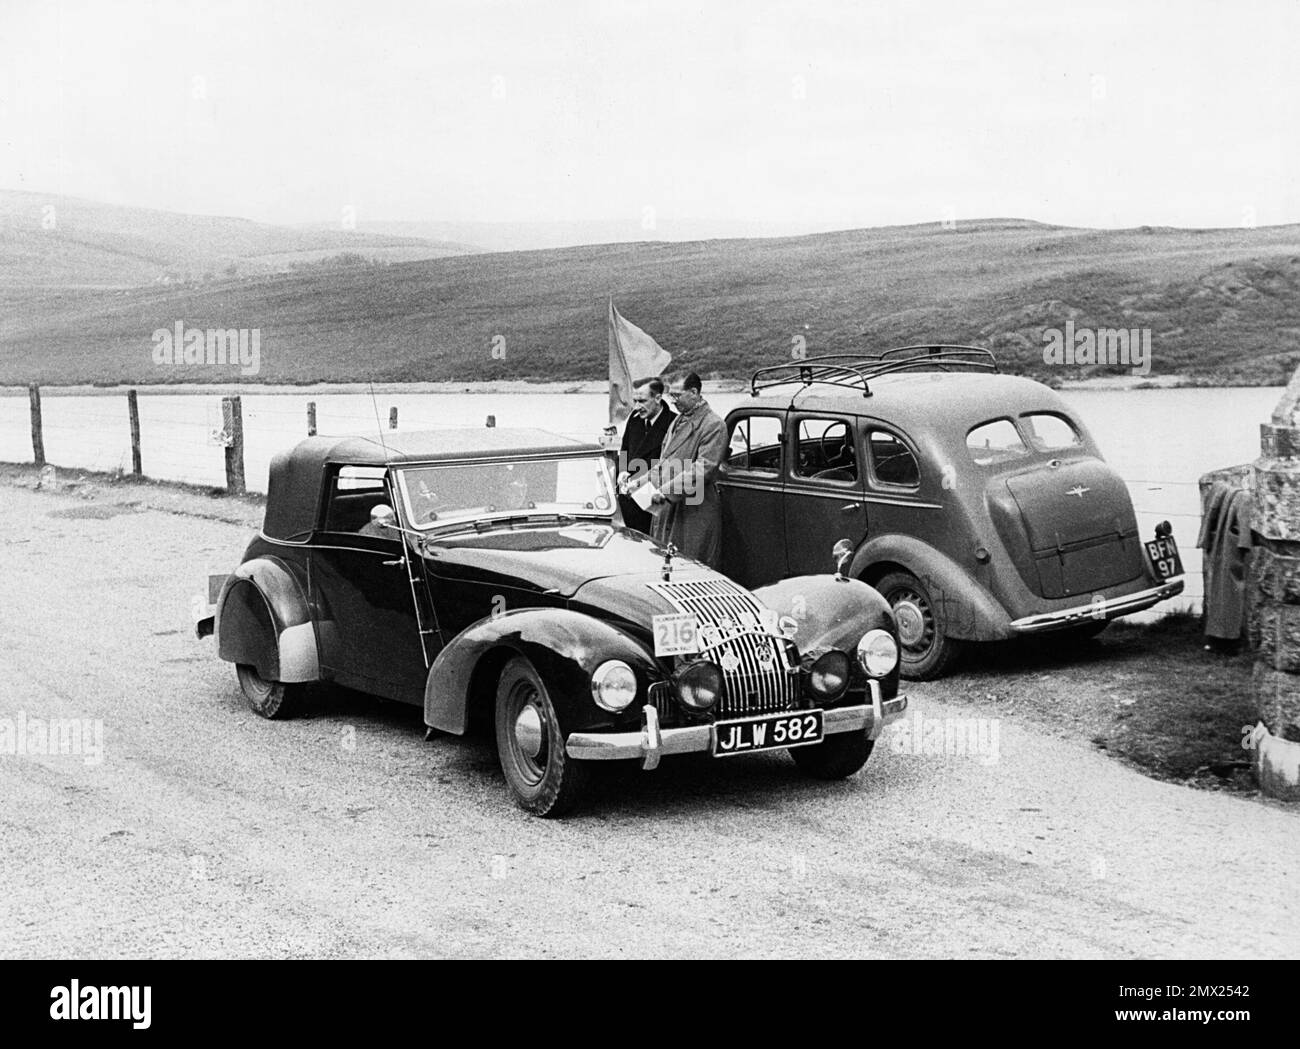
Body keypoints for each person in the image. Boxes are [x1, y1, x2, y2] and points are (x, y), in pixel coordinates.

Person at [645, 372, 727, 567]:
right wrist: (638, 483)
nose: (673, 402)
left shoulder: (714, 425)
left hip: (693, 512)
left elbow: (702, 470)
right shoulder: (678, 421)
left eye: (677, 395)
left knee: (691, 568)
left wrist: (664, 492)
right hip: (668, 508)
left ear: (694, 392)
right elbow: (663, 462)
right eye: (670, 396)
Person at [616, 377, 675, 533]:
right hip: (629, 499)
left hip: (654, 502)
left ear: (657, 398)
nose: (637, 407)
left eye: (642, 401)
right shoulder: (634, 419)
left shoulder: (674, 423)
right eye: (635, 401)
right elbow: (625, 449)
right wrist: (622, 471)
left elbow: (673, 465)